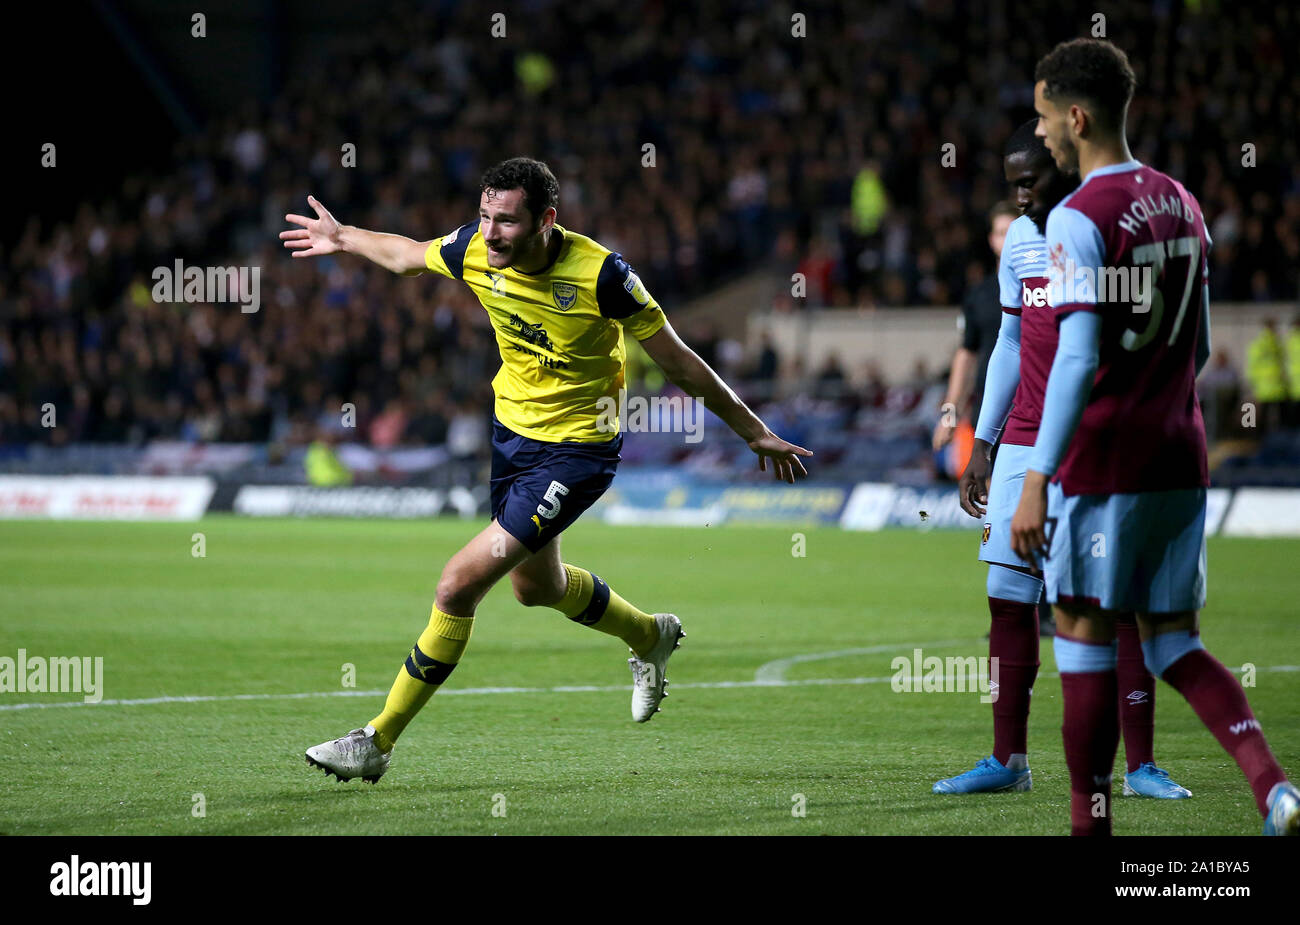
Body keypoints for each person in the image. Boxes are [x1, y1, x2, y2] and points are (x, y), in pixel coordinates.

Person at [280, 157, 812, 783]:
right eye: (484, 217)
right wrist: (344, 238)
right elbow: (405, 254)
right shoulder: (473, 249)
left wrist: (754, 431)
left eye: (506, 221)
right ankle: (649, 636)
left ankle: (377, 741)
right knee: (536, 588)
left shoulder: (603, 276)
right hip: (512, 437)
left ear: (546, 220)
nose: (491, 233)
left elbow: (680, 363)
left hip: (578, 450)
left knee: (457, 585)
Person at [1009, 39, 1298, 835]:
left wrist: (1036, 475)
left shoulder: (1077, 217)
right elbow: (1199, 345)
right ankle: (1275, 787)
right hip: (1182, 454)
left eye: (1041, 119)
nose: (1038, 136)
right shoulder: (1183, 202)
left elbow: (1076, 353)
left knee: (1082, 636)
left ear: (1076, 116)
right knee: (1174, 642)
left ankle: (1088, 823)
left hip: (1105, 464)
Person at [934, 120, 1188, 799]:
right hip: (1022, 437)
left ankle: (1141, 767)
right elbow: (1012, 342)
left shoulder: (1106, 230)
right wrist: (983, 441)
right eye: (1011, 182)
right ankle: (1007, 759)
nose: (1019, 196)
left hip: (1099, 435)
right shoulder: (1019, 240)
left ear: (1067, 169)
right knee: (1007, 595)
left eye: (1031, 180)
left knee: (1122, 600)